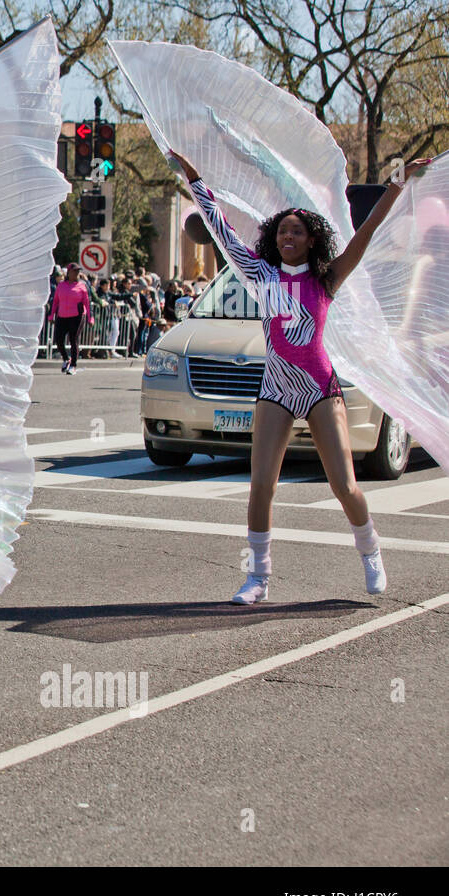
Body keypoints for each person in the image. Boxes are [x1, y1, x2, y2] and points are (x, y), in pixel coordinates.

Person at [169, 149, 432, 603]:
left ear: (311, 240)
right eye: (283, 229)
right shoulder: (258, 272)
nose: (289, 235)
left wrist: (396, 184)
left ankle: (370, 549)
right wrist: (192, 176)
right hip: (275, 390)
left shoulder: (327, 278)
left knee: (344, 485)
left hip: (319, 389)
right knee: (260, 485)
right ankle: (257, 578)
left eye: (298, 230)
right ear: (275, 238)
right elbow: (222, 230)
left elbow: (365, 234)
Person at [49, 262, 90, 374]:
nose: (77, 273)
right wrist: (51, 314)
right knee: (58, 339)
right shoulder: (61, 285)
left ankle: (73, 366)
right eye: (74, 271)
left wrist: (90, 318)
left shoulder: (82, 286)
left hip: (77, 316)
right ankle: (66, 359)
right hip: (62, 316)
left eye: (78, 271)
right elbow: (56, 302)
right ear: (69, 272)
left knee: (73, 340)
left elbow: (87, 303)